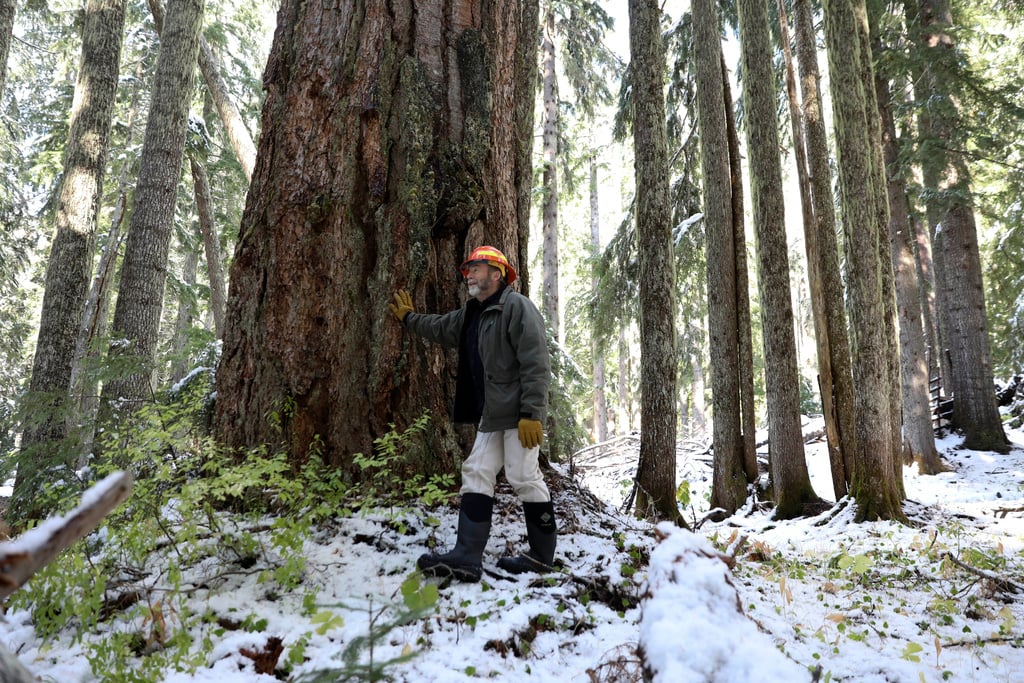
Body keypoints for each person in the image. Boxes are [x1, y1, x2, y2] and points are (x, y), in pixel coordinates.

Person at [388, 245, 556, 582]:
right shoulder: (472, 314)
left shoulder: (517, 308)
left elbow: (536, 363)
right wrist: (408, 319)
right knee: (477, 470)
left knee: (524, 478)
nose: (470, 275)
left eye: (476, 269)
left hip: (518, 415)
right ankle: (467, 556)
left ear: (497, 274)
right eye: (468, 270)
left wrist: (532, 413)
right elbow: (438, 327)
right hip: (492, 415)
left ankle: (541, 556)